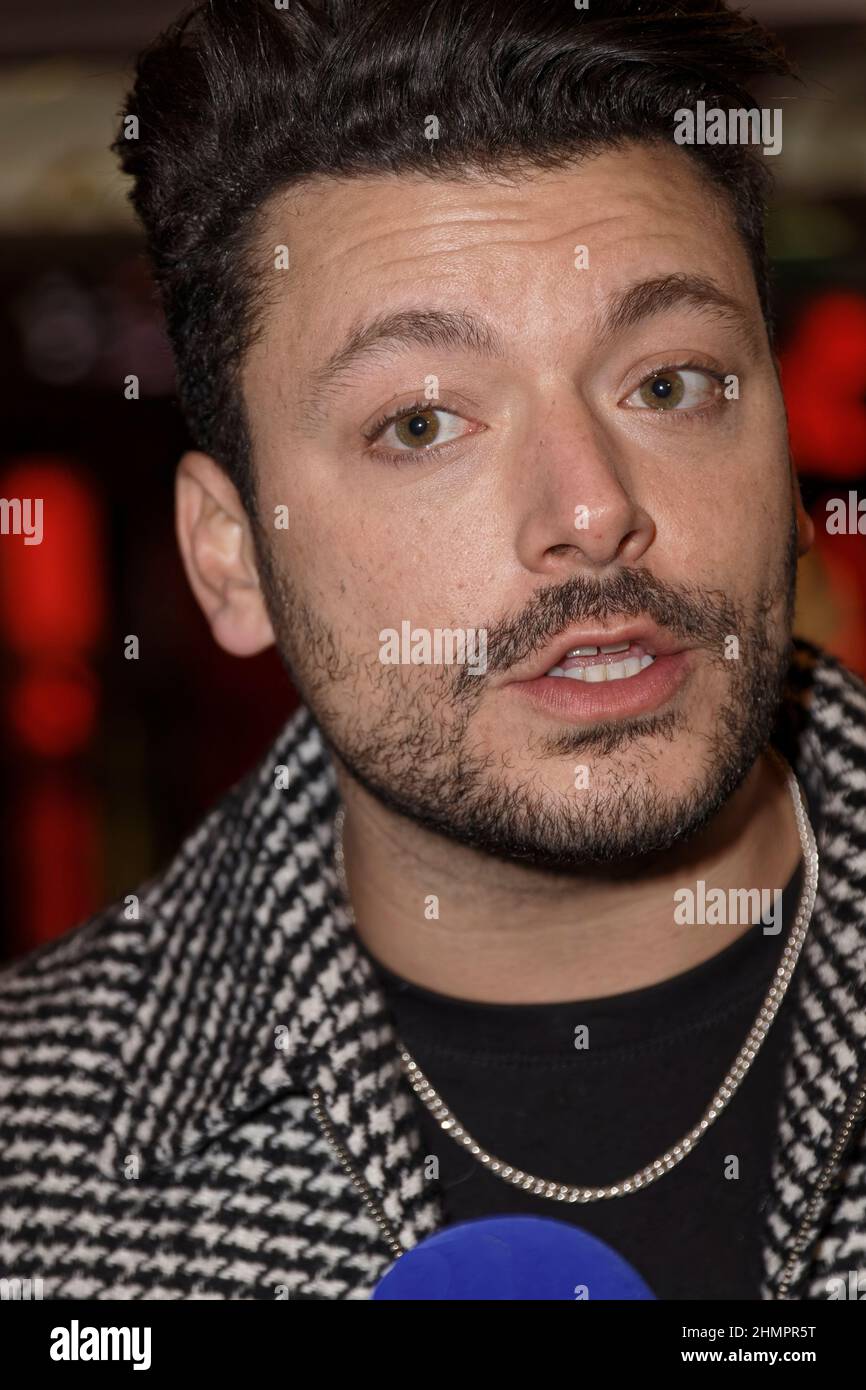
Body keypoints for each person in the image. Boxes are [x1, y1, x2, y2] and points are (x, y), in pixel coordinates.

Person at [1, 0, 864, 1302]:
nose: (589, 512)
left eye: (668, 383)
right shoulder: (33, 1168)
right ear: (231, 556)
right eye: (417, 424)